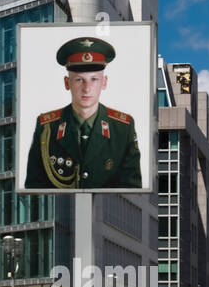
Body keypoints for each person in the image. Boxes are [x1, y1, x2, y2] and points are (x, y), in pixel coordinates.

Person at [24, 37, 142, 190]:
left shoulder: (122, 127)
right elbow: (34, 186)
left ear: (104, 82)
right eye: (79, 80)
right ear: (67, 83)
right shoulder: (47, 126)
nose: (87, 88)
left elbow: (131, 188)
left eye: (94, 79)